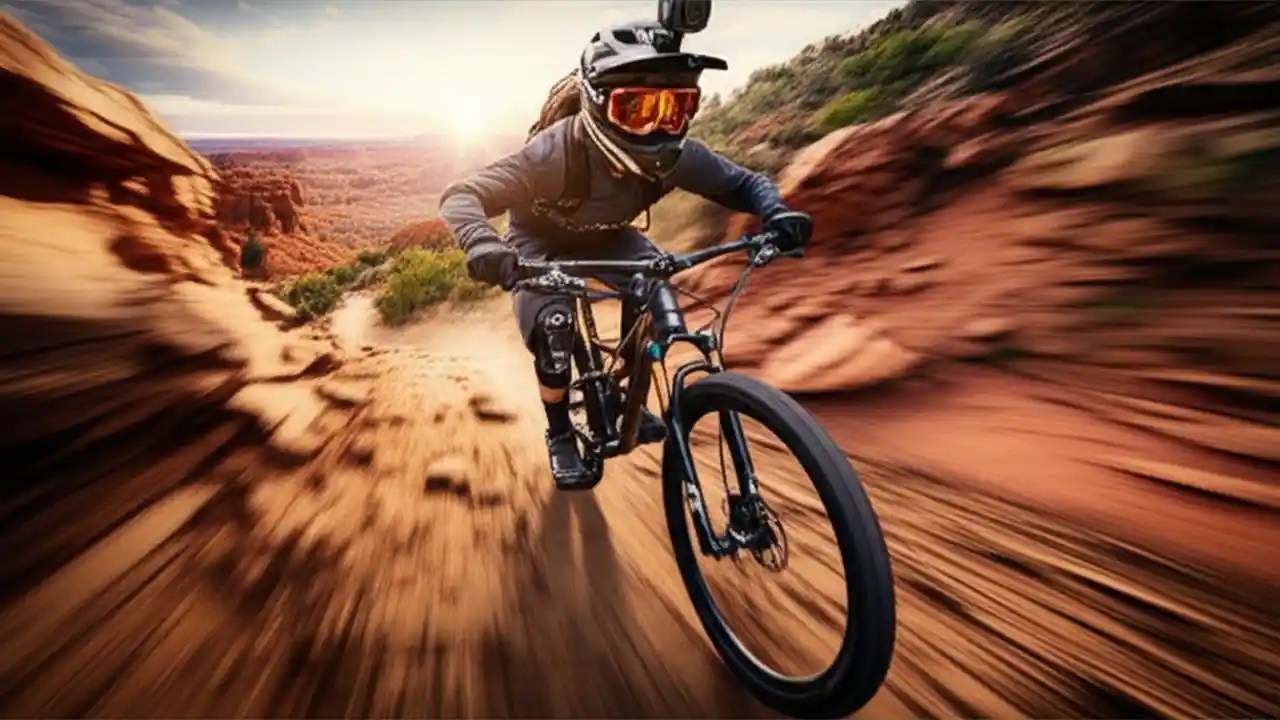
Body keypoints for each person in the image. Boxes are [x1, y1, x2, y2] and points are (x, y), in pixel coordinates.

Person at [438, 19, 812, 489]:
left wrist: (776, 212)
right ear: (598, 105)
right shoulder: (554, 154)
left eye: (675, 108)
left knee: (657, 294)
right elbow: (462, 195)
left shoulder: (675, 157)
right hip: (540, 242)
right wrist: (482, 242)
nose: (658, 127)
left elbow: (745, 183)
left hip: (611, 236)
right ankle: (560, 432)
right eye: (636, 108)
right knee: (555, 328)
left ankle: (625, 396)